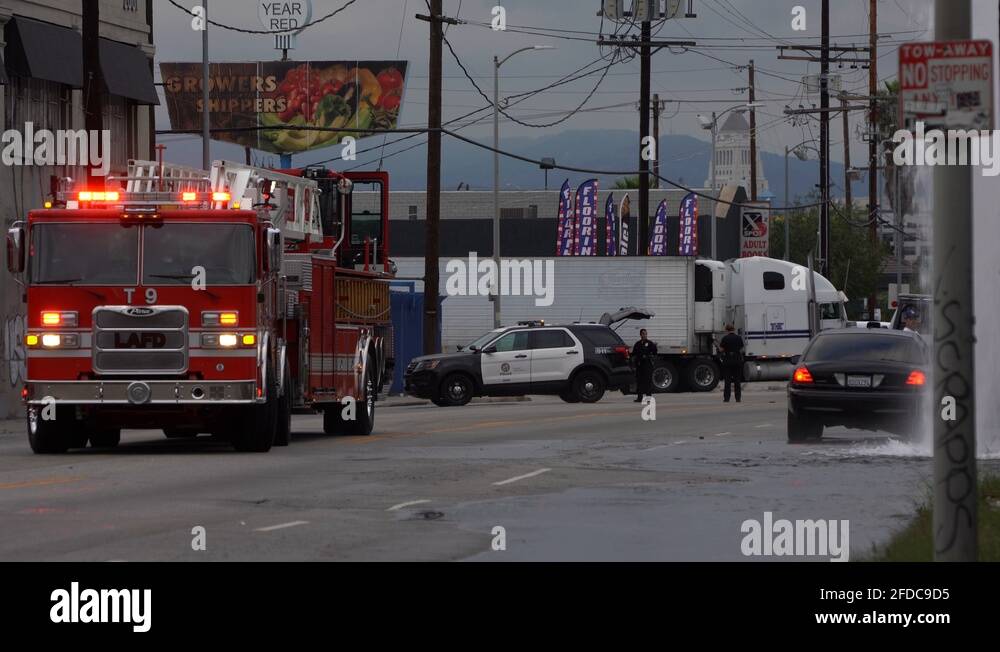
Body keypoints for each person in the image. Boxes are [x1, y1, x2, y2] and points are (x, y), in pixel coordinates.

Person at [716, 324, 745, 403]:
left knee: (727, 381)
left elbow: (721, 349)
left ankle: (726, 398)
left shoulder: (725, 338)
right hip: (737, 361)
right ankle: (738, 398)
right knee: (737, 381)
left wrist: (717, 346)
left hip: (728, 361)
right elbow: (742, 349)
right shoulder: (738, 338)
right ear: (734, 329)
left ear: (727, 330)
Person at [632, 329, 657, 403]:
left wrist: (649, 356)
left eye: (645, 334)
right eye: (643, 334)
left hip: (647, 365)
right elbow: (634, 354)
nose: (644, 335)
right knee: (639, 382)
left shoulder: (650, 343)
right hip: (639, 365)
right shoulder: (638, 344)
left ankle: (648, 398)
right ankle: (639, 398)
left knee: (647, 382)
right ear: (640, 335)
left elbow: (654, 352)